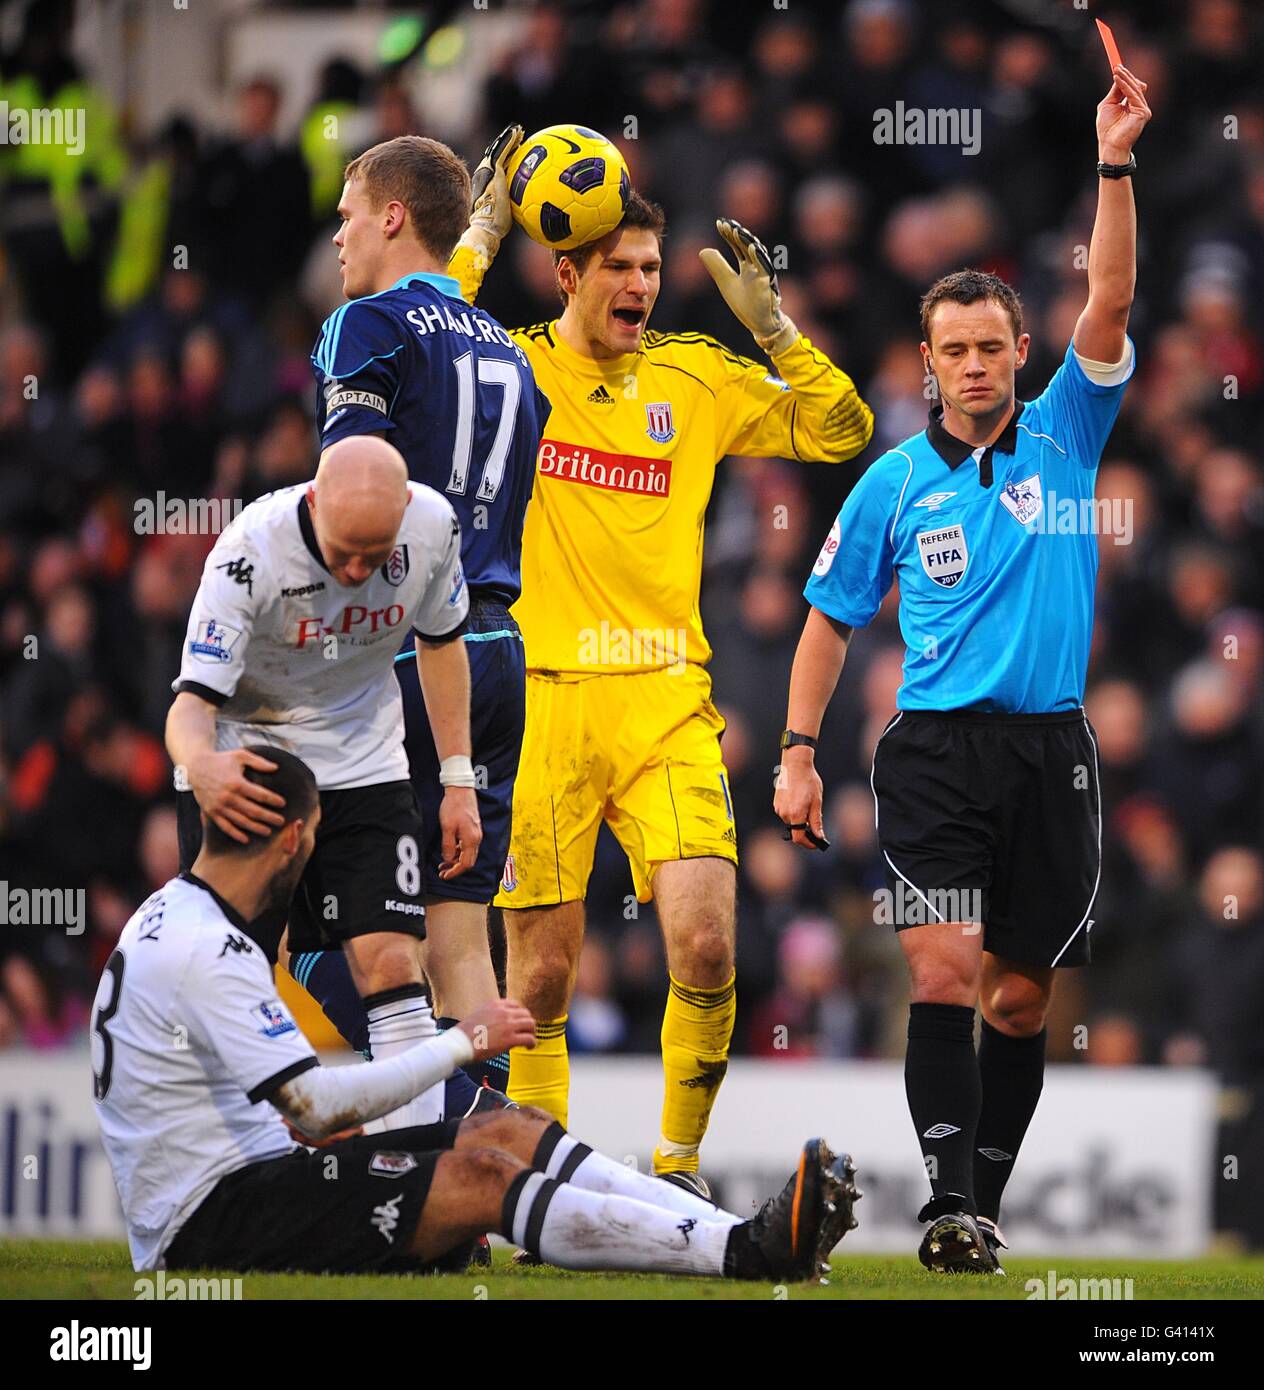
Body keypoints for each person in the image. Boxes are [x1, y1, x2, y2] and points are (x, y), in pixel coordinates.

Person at [446, 126, 874, 1192]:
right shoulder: (513, 364)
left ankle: (676, 1165)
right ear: (566, 273)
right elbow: (429, 339)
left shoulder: (691, 376)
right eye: (619, 267)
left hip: (667, 700)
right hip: (542, 702)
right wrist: (481, 228)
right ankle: (534, 1181)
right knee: (538, 979)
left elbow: (841, 426)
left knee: (707, 948)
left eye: (649, 266)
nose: (639, 283)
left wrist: (774, 327)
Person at [774, 63, 1151, 1273]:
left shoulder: (1065, 430)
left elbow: (1115, 291)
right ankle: (944, 1201)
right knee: (939, 968)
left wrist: (1112, 160)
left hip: (1052, 753)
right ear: (925, 361)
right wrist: (793, 752)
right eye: (954, 350)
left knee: (1017, 1001)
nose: (976, 365)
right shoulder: (891, 480)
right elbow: (829, 618)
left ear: (1019, 348)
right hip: (933, 752)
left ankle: (979, 1206)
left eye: (993, 345)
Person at [91, 746, 860, 1280]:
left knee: (505, 1127)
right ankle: (748, 1257)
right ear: (292, 838)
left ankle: (742, 1232)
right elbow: (316, 1106)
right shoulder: (212, 948)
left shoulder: (170, 919)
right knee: (480, 1179)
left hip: (251, 1182)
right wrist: (460, 1043)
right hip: (212, 1226)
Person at [296, 134, 551, 1092]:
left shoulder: (364, 326)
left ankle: (432, 1098)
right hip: (493, 655)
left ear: (394, 216)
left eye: (350, 214)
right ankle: (486, 1173)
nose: (340, 236)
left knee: (298, 915)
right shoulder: (513, 358)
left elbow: (355, 499)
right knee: (461, 941)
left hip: (396, 648)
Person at [165, 435, 477, 1131]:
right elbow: (189, 705)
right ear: (313, 503)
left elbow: (442, 640)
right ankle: (228, 1175)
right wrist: (202, 769)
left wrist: (459, 781)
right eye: (344, 553)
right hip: (250, 763)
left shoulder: (434, 528)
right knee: (231, 972)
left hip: (365, 762)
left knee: (395, 962)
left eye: (376, 553)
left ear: (404, 510)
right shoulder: (248, 555)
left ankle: (418, 1181)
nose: (360, 569)